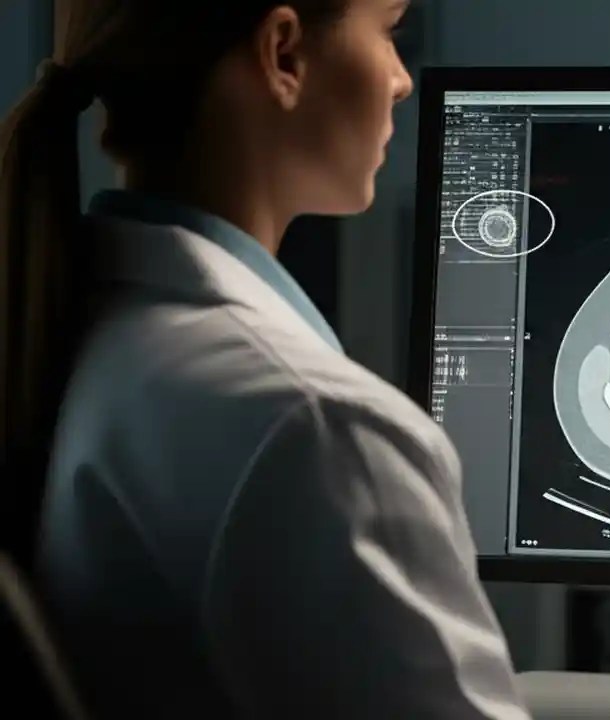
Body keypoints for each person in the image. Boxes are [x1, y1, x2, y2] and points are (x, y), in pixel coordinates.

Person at [0, 1, 531, 718]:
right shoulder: (320, 428)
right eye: (387, 33)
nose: (403, 79)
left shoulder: (91, 336)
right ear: (283, 54)